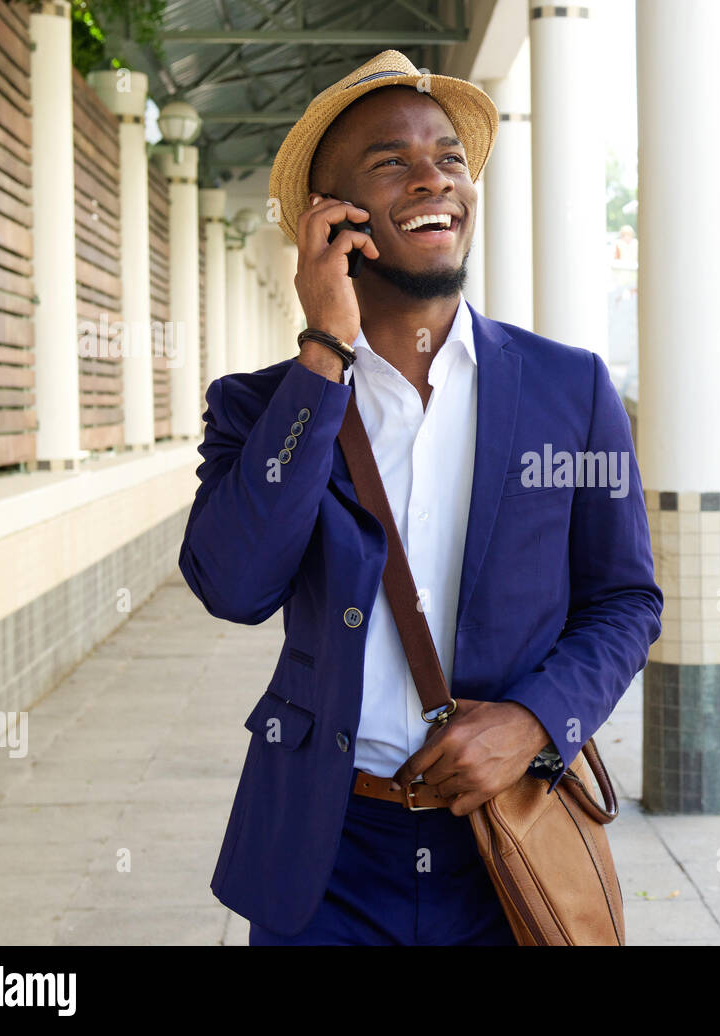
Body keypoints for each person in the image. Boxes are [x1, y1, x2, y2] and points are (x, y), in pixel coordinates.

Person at [178, 50, 663, 946]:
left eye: (447, 156)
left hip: (506, 845)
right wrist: (323, 355)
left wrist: (530, 722)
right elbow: (235, 586)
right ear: (332, 219)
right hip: (325, 858)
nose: (434, 177)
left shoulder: (572, 391)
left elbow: (625, 601)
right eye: (390, 160)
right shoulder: (261, 407)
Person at [612, 224, 637, 302]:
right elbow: (616, 258)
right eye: (625, 235)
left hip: (630, 276)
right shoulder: (619, 244)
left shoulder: (635, 243)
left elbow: (616, 258)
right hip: (625, 277)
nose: (627, 237)